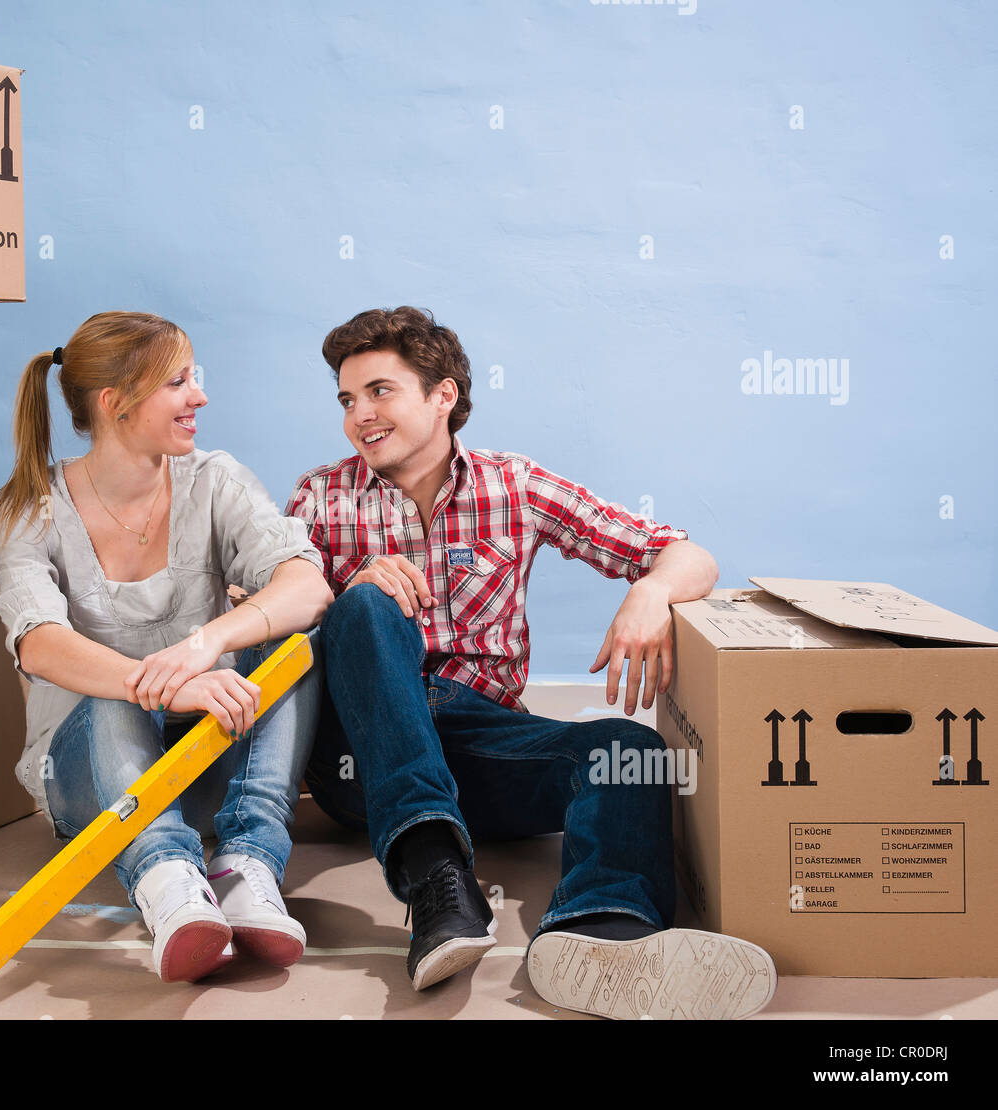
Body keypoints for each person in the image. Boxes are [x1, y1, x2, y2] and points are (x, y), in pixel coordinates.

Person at [285, 306, 776, 1019]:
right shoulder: (319, 495)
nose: (359, 414)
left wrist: (652, 590)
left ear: (442, 394)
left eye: (379, 391)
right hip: (356, 748)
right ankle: (435, 879)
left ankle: (603, 934)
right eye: (347, 399)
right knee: (365, 606)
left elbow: (684, 552)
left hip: (474, 734)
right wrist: (343, 591)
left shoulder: (514, 487)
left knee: (626, 748)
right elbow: (261, 614)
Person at [0, 311, 333, 984]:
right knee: (114, 692)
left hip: (208, 759)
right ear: (115, 404)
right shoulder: (29, 507)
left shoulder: (215, 479)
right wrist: (165, 681)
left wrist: (209, 642)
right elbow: (40, 645)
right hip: (100, 783)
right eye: (177, 383)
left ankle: (244, 867)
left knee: (291, 637)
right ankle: (169, 881)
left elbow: (306, 585)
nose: (198, 396)